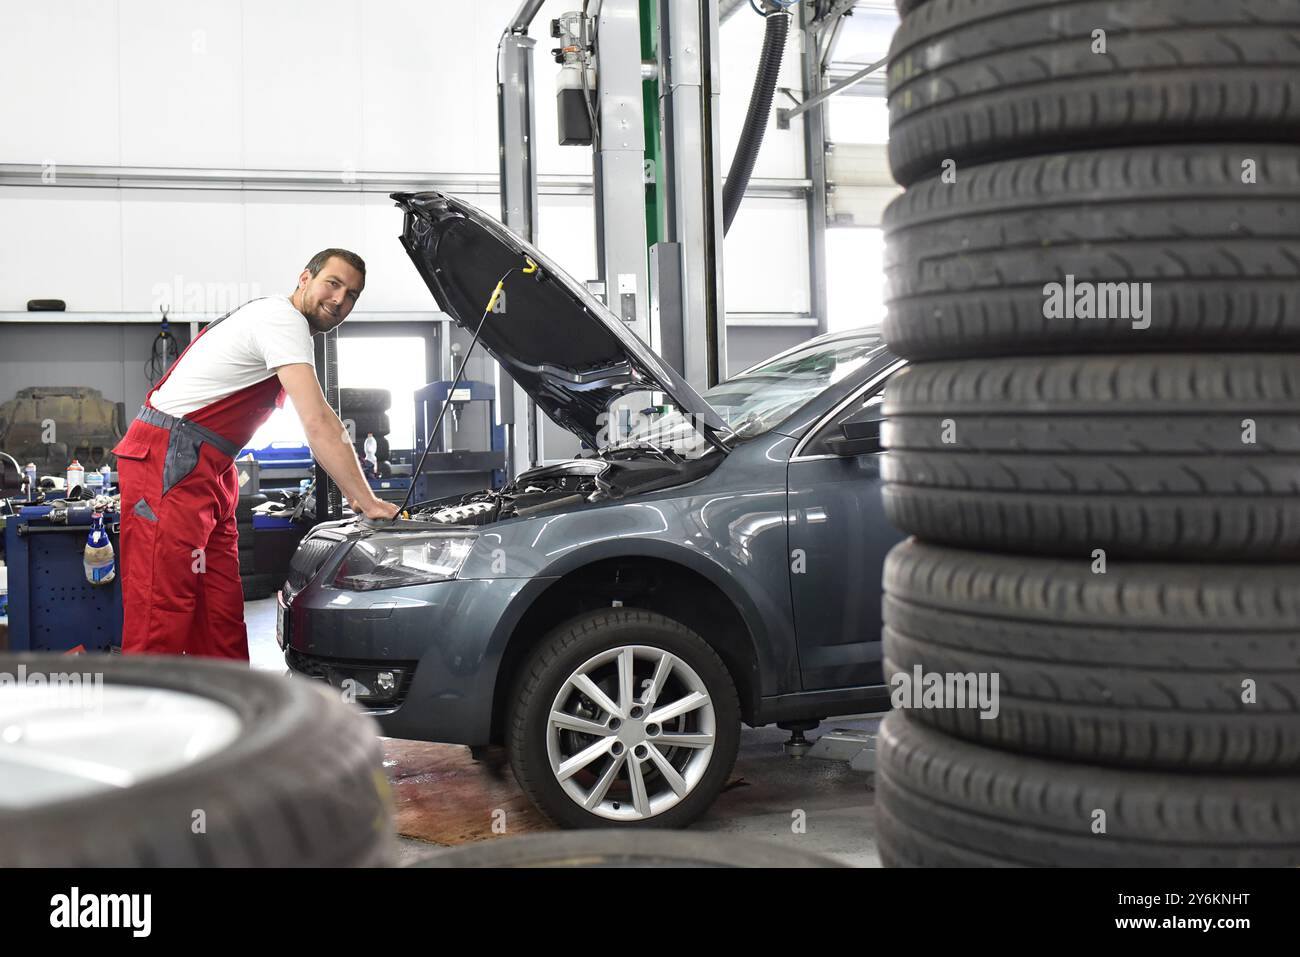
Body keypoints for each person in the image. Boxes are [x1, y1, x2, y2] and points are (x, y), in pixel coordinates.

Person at [111, 249, 399, 660]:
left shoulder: (281, 323)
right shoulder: (282, 319)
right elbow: (318, 421)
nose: (339, 300)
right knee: (162, 611)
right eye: (332, 284)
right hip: (168, 461)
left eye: (352, 294)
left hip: (210, 467)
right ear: (304, 278)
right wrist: (365, 501)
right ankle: (147, 721)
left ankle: (235, 715)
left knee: (220, 610)